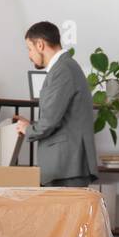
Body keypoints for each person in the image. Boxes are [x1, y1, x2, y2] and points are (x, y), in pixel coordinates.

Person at [12, 21, 99, 188]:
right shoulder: (64, 68)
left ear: (40, 44)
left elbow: (50, 121)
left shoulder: (63, 70)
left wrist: (28, 129)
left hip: (66, 166)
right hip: (66, 166)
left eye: (30, 49)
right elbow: (60, 117)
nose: (30, 55)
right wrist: (30, 125)